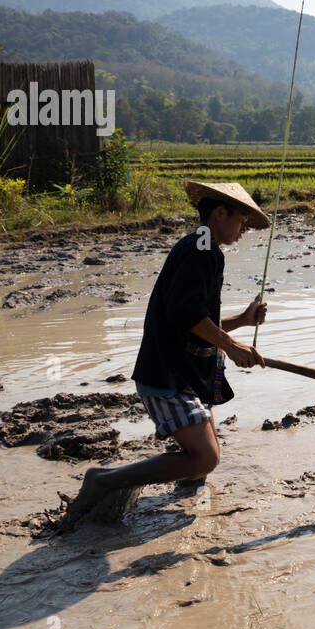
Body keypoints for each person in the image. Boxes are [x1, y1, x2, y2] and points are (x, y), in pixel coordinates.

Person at [60, 180, 270, 527]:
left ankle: (186, 505)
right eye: (241, 219)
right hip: (170, 373)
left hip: (189, 371)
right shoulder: (203, 250)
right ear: (220, 213)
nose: (244, 228)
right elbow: (186, 315)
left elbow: (197, 319)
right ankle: (105, 480)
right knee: (205, 458)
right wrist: (231, 347)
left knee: (198, 463)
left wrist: (242, 321)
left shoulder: (203, 247)